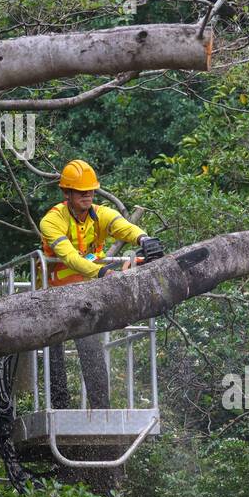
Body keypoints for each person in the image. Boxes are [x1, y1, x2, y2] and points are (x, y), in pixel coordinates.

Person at [38, 159, 163, 409]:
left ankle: (101, 410)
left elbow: (123, 227)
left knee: (92, 349)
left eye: (91, 191)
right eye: (82, 192)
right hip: (54, 297)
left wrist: (144, 238)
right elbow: (70, 258)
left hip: (87, 295)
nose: (87, 196)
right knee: (55, 355)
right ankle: (59, 409)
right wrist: (103, 273)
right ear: (67, 193)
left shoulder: (100, 214)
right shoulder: (51, 221)